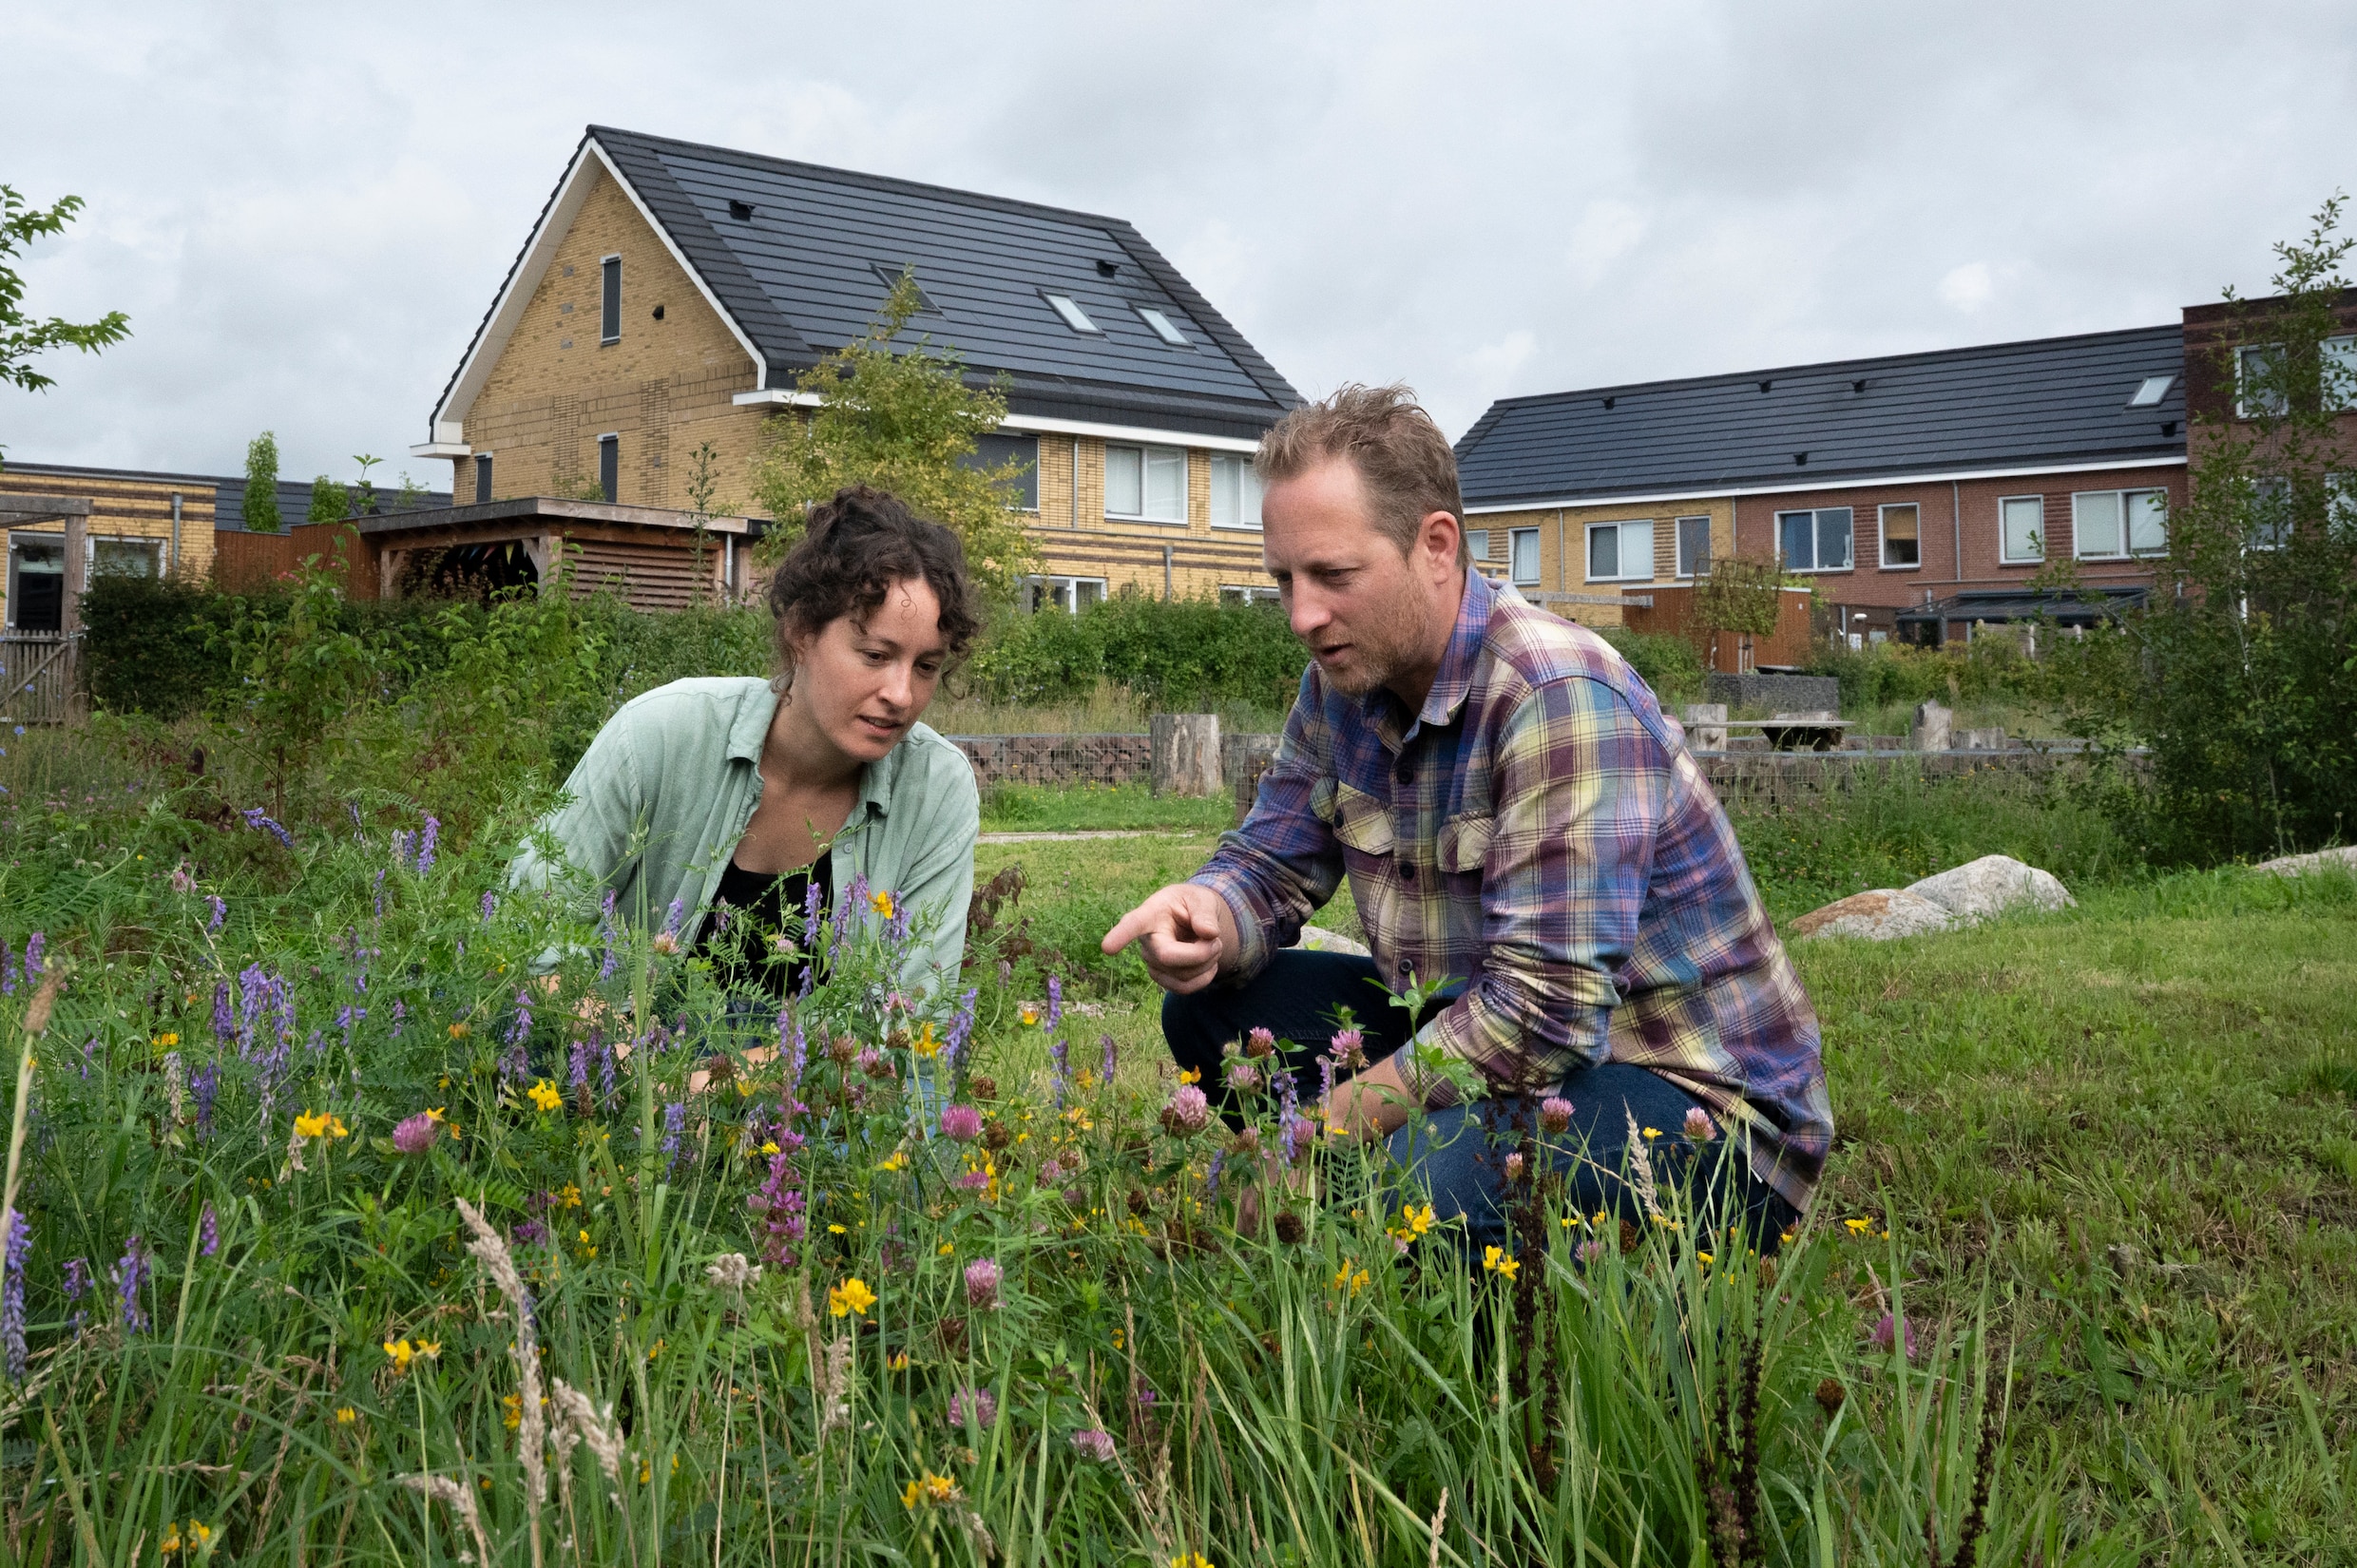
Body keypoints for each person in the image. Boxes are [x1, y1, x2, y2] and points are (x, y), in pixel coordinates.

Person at [1102, 386, 1832, 1248]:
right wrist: (1209, 915)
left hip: (1687, 1099)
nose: (1302, 616)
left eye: (1333, 576)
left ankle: (1366, 1196)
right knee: (1212, 1015)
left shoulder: (1556, 694)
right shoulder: (1341, 683)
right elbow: (1269, 862)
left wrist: (1315, 1131)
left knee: (1413, 1179)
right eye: (1285, 580)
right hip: (1476, 1026)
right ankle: (1371, 1201)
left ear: (1437, 546)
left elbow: (1546, 1011)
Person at [510, 486, 983, 1007]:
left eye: (926, 667)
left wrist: (751, 1063)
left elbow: (913, 1011)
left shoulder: (936, 788)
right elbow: (524, 932)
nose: (901, 694)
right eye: (875, 655)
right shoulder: (660, 735)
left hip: (823, 1066)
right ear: (801, 633)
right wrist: (618, 1046)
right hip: (619, 1052)